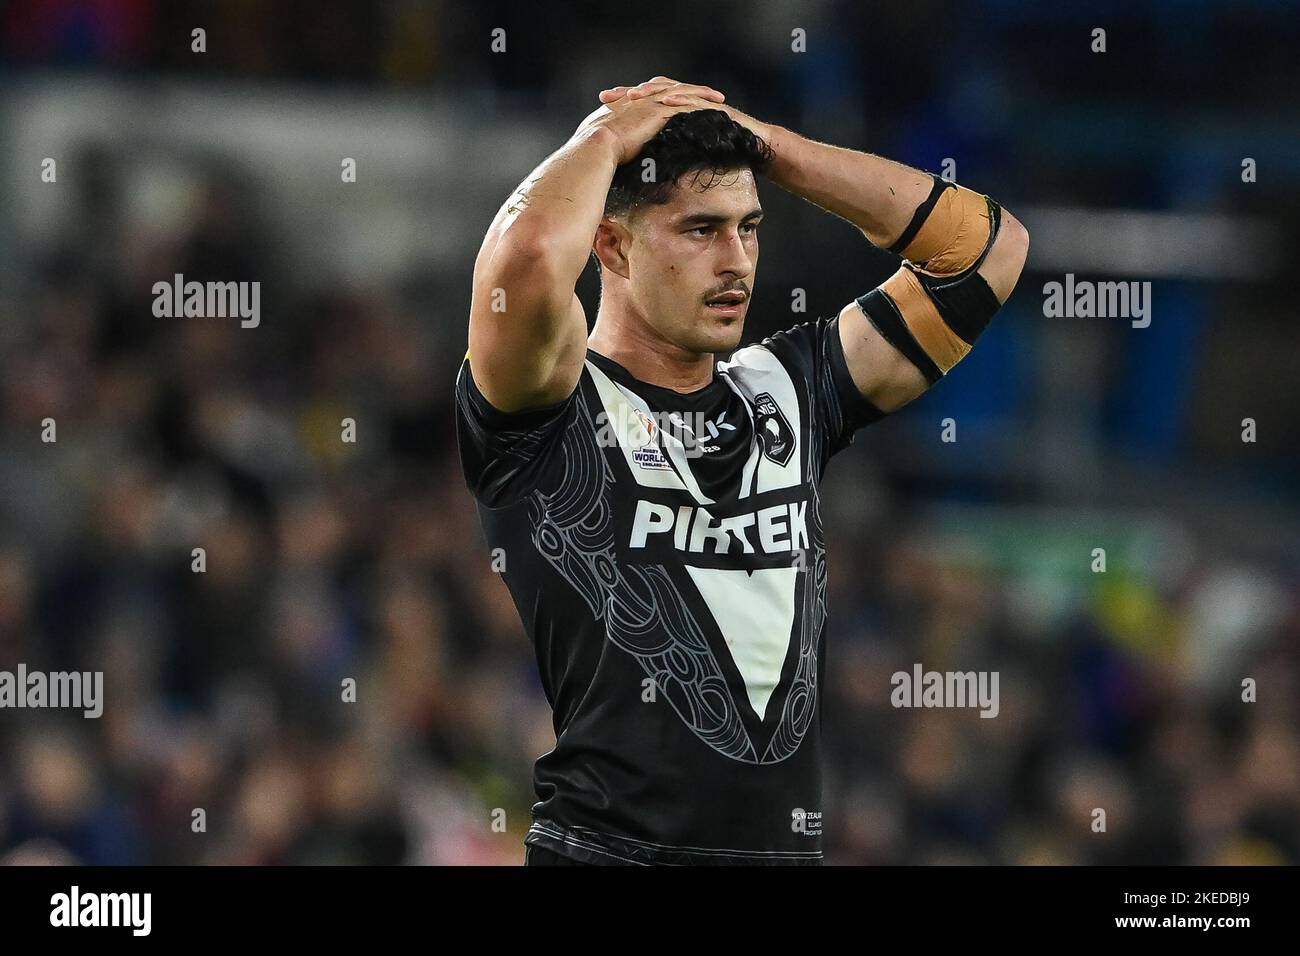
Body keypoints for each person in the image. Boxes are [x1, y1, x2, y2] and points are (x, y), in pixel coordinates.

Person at [455, 76, 1029, 865]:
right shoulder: (549, 405)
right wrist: (610, 135)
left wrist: (769, 146)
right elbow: (522, 261)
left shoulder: (793, 385)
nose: (736, 262)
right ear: (613, 244)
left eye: (749, 228)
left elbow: (988, 251)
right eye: (700, 229)